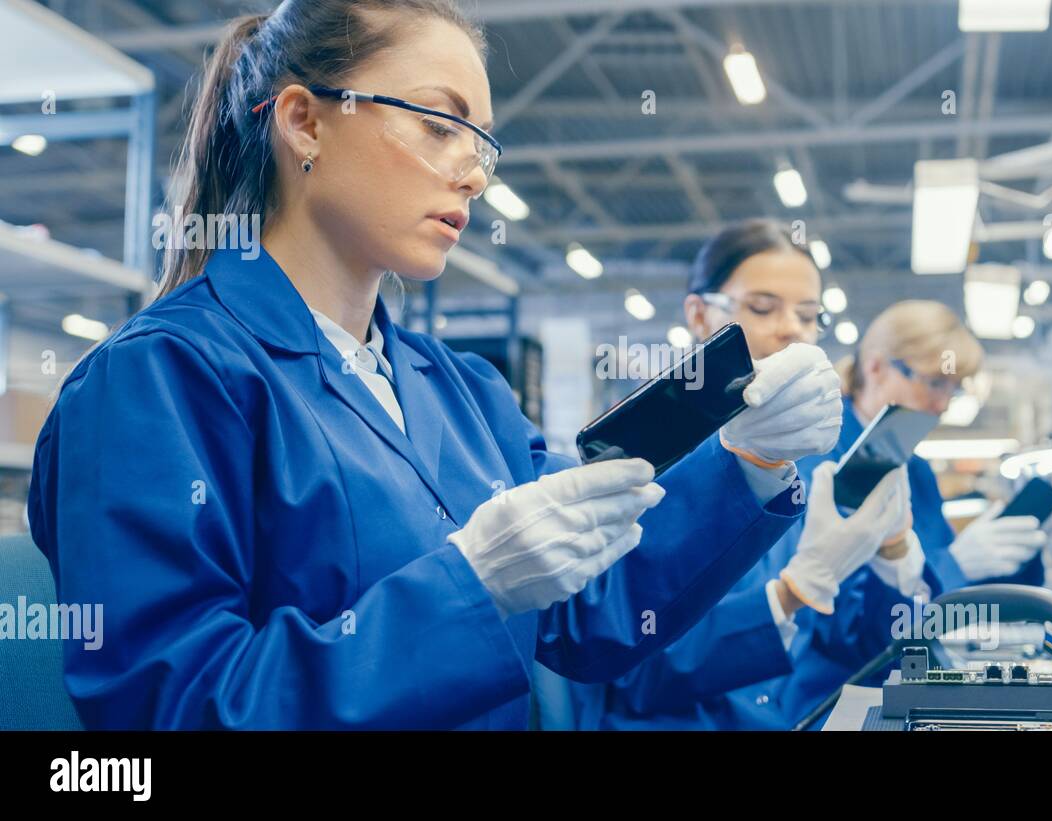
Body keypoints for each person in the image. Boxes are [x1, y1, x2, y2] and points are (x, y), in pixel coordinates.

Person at [27, 1, 846, 730]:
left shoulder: (463, 391)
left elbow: (594, 611)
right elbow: (173, 708)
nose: (476, 172)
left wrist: (749, 462)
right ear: (305, 122)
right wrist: (467, 591)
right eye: (438, 123)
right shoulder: (157, 382)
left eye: (482, 141)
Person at [573, 220, 937, 731]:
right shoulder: (636, 452)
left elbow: (858, 644)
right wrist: (790, 595)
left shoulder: (809, 457)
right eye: (763, 308)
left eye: (809, 315)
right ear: (700, 315)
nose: (792, 328)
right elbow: (623, 662)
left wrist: (895, 555)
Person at [840, 301, 1049, 590]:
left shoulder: (917, 471)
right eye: (935, 383)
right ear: (876, 367)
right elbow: (842, 607)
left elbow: (956, 593)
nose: (943, 406)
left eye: (955, 389)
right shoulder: (820, 455)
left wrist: (1023, 546)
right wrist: (952, 564)